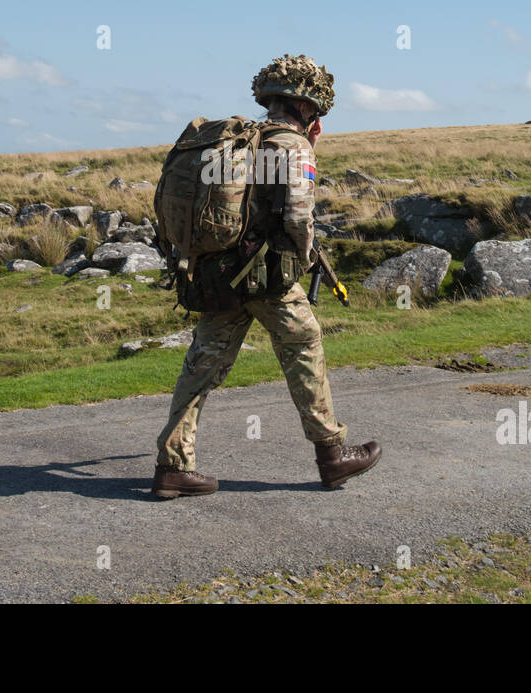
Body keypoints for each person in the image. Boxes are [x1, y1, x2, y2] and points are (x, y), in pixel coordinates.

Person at [152, 54, 382, 498]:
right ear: (310, 107)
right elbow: (299, 217)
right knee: (304, 344)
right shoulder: (292, 147)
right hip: (264, 276)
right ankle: (332, 455)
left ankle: (173, 466)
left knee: (203, 363)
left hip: (217, 272)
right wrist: (303, 255)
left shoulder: (244, 140)